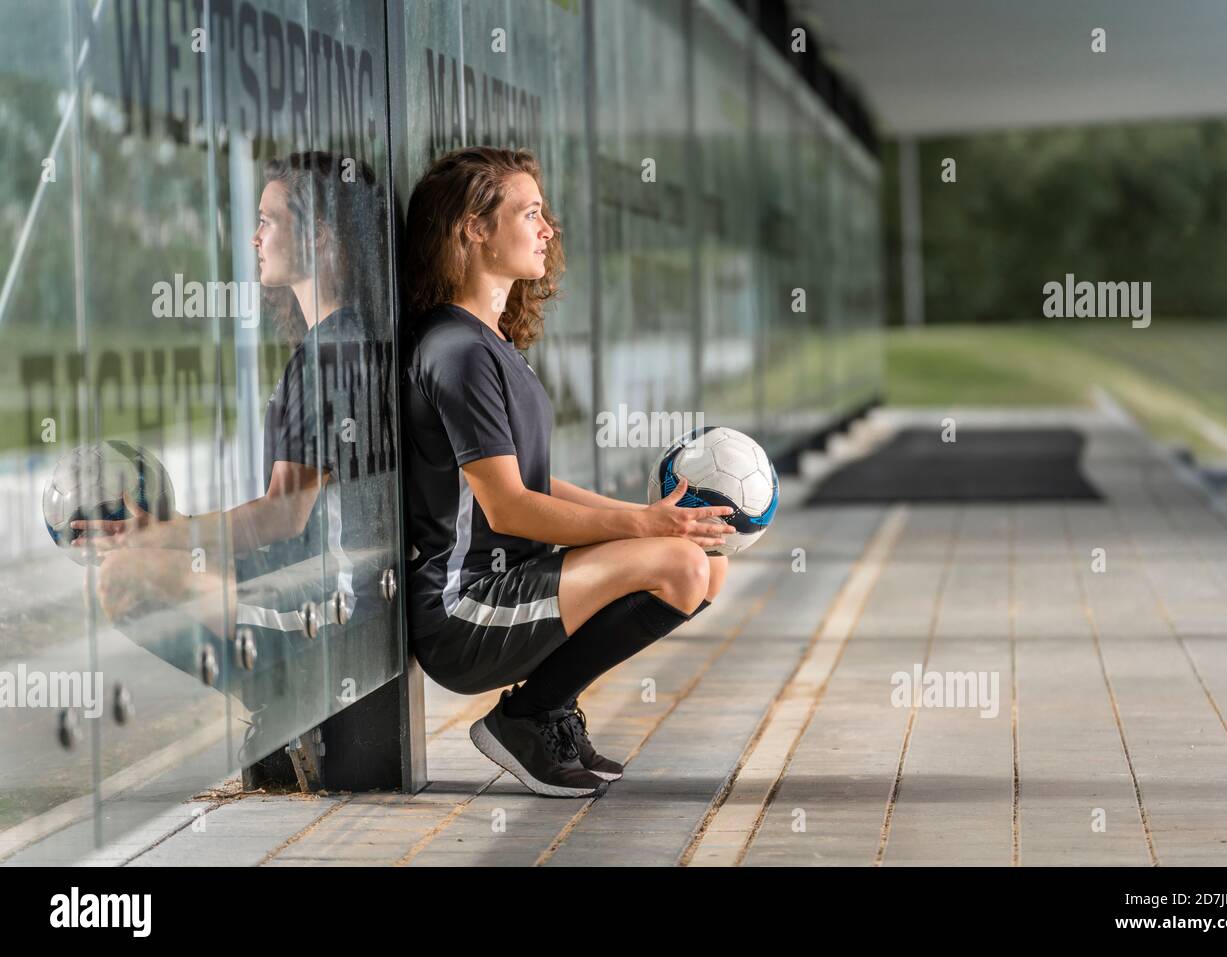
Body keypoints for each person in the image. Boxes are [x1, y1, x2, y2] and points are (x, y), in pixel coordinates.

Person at [401, 146, 733, 799]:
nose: (548, 228)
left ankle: (548, 707)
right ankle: (524, 718)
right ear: (474, 228)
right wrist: (642, 523)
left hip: (506, 588)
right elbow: (509, 509)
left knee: (702, 561)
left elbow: (536, 483)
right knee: (683, 566)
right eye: (530, 213)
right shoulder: (455, 349)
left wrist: (655, 521)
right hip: (464, 608)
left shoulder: (489, 343)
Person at [75, 151, 392, 764]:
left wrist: (163, 540)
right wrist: (167, 537)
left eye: (268, 220)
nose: (254, 236)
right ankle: (285, 708)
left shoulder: (329, 356)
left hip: (329, 613)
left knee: (121, 578)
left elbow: (283, 517)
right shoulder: (346, 341)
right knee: (143, 557)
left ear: (318, 237)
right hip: (344, 593)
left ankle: (290, 700)